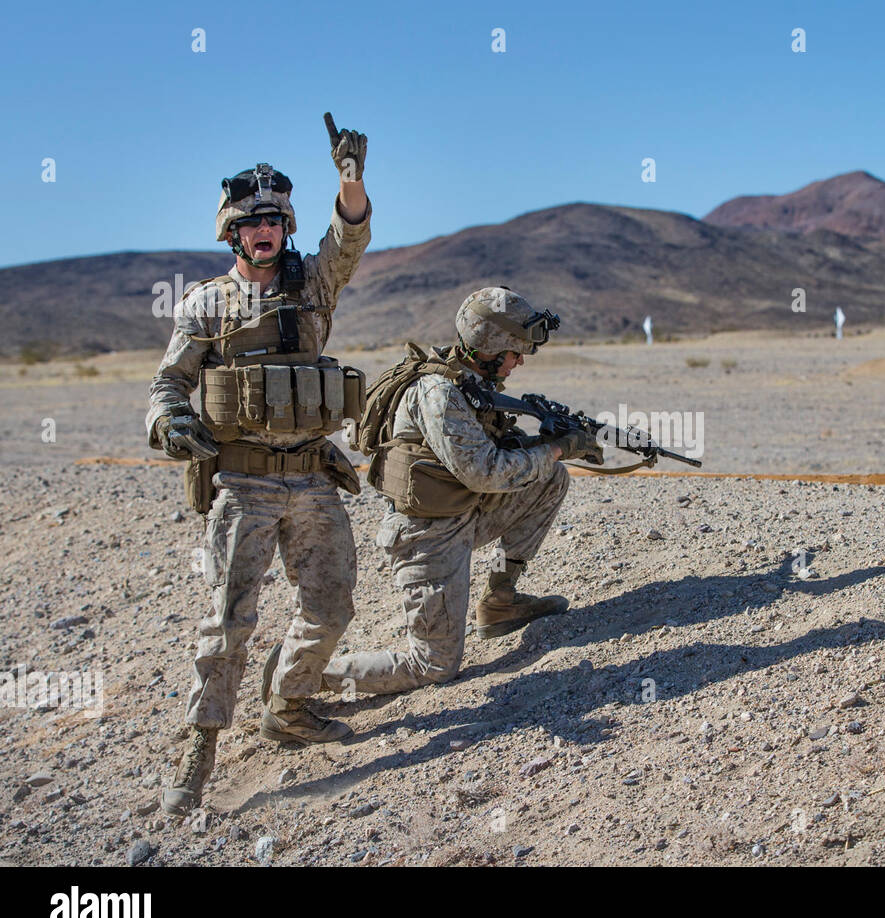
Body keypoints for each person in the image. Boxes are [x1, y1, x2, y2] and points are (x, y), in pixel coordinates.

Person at [147, 114, 372, 817]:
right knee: (230, 620)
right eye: (252, 222)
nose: (264, 229)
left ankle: (288, 704)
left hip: (309, 475)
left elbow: (351, 235)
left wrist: (350, 177)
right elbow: (166, 385)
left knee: (331, 608)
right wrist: (168, 421)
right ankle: (199, 752)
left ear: (286, 227)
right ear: (232, 233)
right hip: (243, 482)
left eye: (274, 218)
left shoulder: (316, 285)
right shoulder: (206, 304)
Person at [304, 287, 601, 696]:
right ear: (492, 347)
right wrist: (555, 448)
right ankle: (306, 673)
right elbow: (485, 472)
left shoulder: (471, 382)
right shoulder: (439, 394)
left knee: (549, 478)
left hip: (465, 514)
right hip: (428, 539)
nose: (518, 364)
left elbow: (498, 453)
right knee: (433, 665)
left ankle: (500, 598)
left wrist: (554, 443)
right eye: (515, 354)